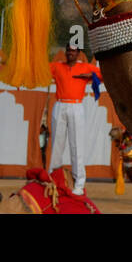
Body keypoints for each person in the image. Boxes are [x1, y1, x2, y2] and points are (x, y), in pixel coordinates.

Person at [48, 43, 101, 195]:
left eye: (73, 51)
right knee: (56, 144)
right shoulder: (57, 66)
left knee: (76, 145)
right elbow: (40, 70)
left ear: (78, 53)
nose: (70, 53)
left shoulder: (85, 67)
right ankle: (54, 178)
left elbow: (103, 75)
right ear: (66, 52)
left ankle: (79, 183)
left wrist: (91, 76)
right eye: (68, 50)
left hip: (77, 106)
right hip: (60, 105)